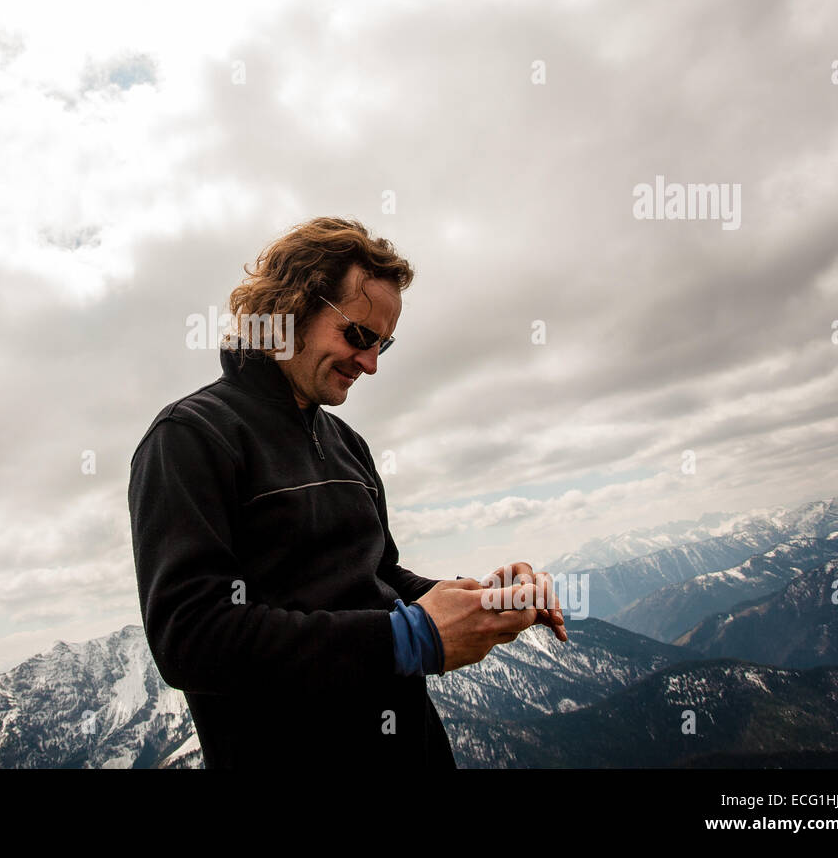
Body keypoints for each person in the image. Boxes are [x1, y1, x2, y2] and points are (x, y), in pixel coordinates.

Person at [128, 216, 567, 769]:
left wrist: (475, 600)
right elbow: (191, 639)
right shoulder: (190, 438)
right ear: (290, 309)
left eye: (383, 343)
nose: (371, 363)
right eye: (358, 335)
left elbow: (381, 580)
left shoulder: (345, 442)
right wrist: (409, 639)